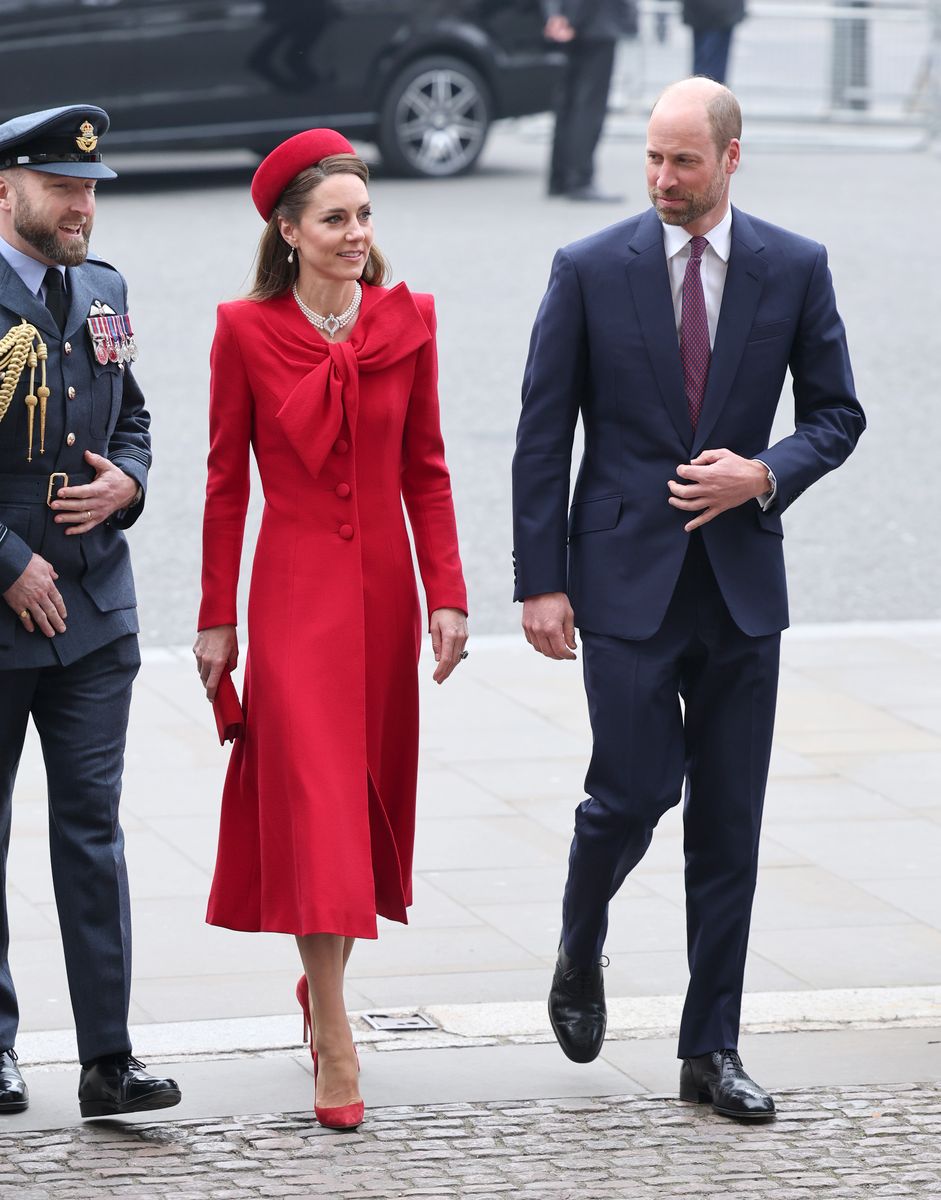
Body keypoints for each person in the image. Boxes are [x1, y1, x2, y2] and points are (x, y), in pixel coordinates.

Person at [512, 77, 864, 1120]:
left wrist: (763, 473)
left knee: (728, 827)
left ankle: (709, 1050)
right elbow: (542, 434)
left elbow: (836, 415)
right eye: (653, 158)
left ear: (730, 159)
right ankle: (580, 939)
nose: (662, 178)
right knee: (631, 793)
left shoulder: (792, 266)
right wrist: (540, 582)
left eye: (683, 161)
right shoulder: (587, 268)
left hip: (741, 590)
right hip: (623, 583)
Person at [193, 129, 468, 1132]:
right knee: (313, 802)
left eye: (363, 215)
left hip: (383, 591)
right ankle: (339, 1033)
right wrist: (216, 617)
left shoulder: (409, 321)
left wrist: (446, 594)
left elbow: (426, 469)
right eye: (334, 219)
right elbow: (225, 483)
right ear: (289, 230)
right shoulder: (242, 331)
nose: (356, 233)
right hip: (294, 593)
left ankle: (320, 990)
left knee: (357, 801)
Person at [0, 106, 181, 1118]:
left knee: (92, 834)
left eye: (90, 189)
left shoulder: (103, 289)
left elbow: (134, 416)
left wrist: (130, 483)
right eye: (63, 188)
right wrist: (7, 563)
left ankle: (108, 1058)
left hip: (97, 611)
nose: (83, 205)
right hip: (2, 610)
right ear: (5, 192)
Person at [543, 0, 637, 202]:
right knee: (589, 106)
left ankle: (559, 178)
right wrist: (570, 19)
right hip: (593, 22)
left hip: (578, 21)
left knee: (569, 102)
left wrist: (557, 15)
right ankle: (579, 179)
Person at [682, 0, 745, 84]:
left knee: (703, 60)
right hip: (721, 12)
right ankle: (706, 87)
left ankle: (700, 86)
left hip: (700, 10)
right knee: (714, 63)